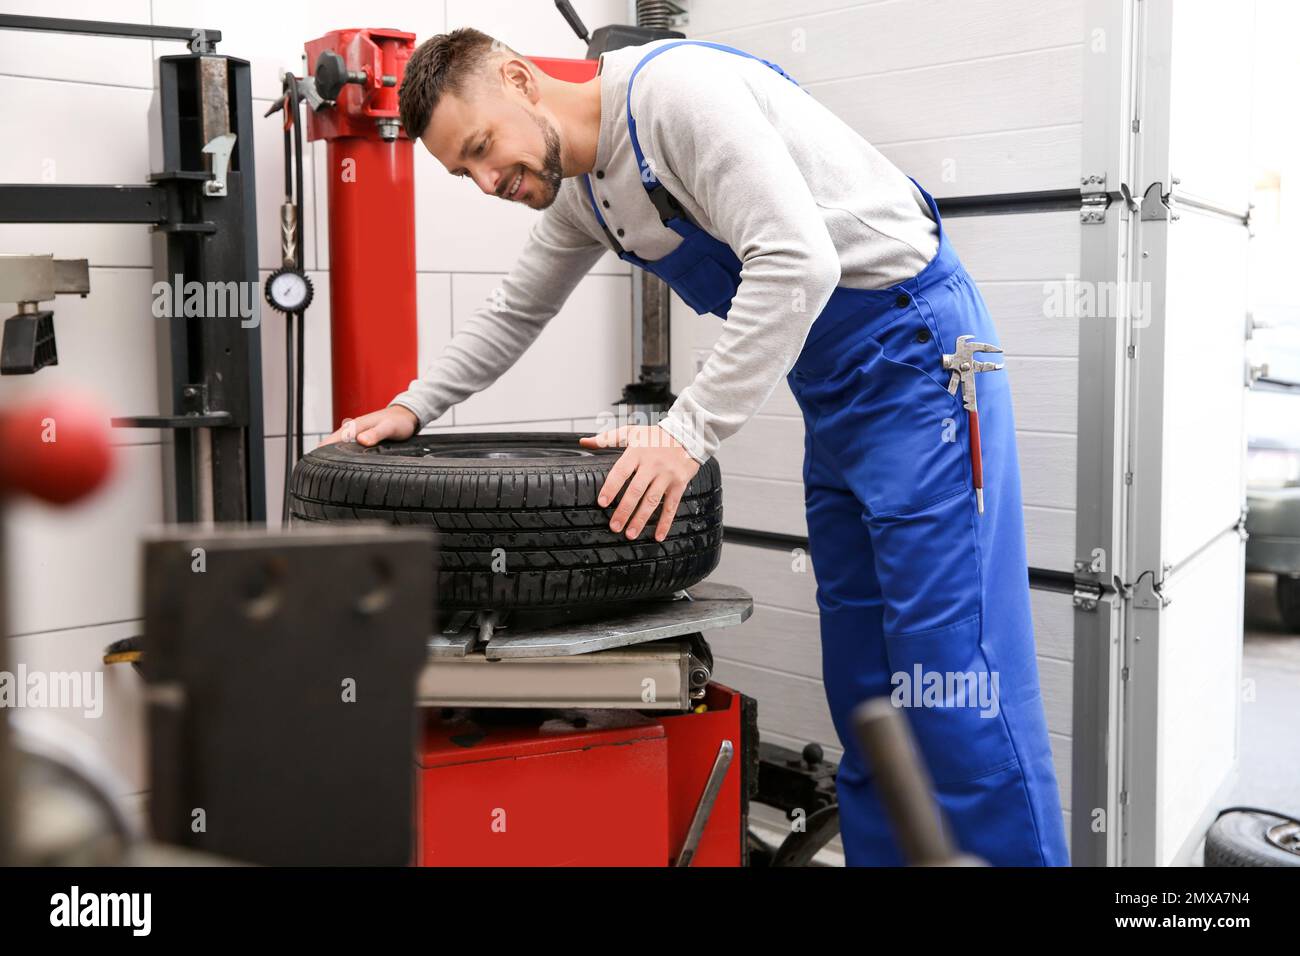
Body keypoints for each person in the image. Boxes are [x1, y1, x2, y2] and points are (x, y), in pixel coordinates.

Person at [322, 29, 1069, 866]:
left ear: (519, 78)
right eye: (467, 173)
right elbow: (514, 314)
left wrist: (685, 432)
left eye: (483, 149)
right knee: (867, 690)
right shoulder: (583, 194)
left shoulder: (676, 97)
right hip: (833, 395)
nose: (490, 182)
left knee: (956, 684)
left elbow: (797, 260)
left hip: (921, 364)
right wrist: (410, 409)